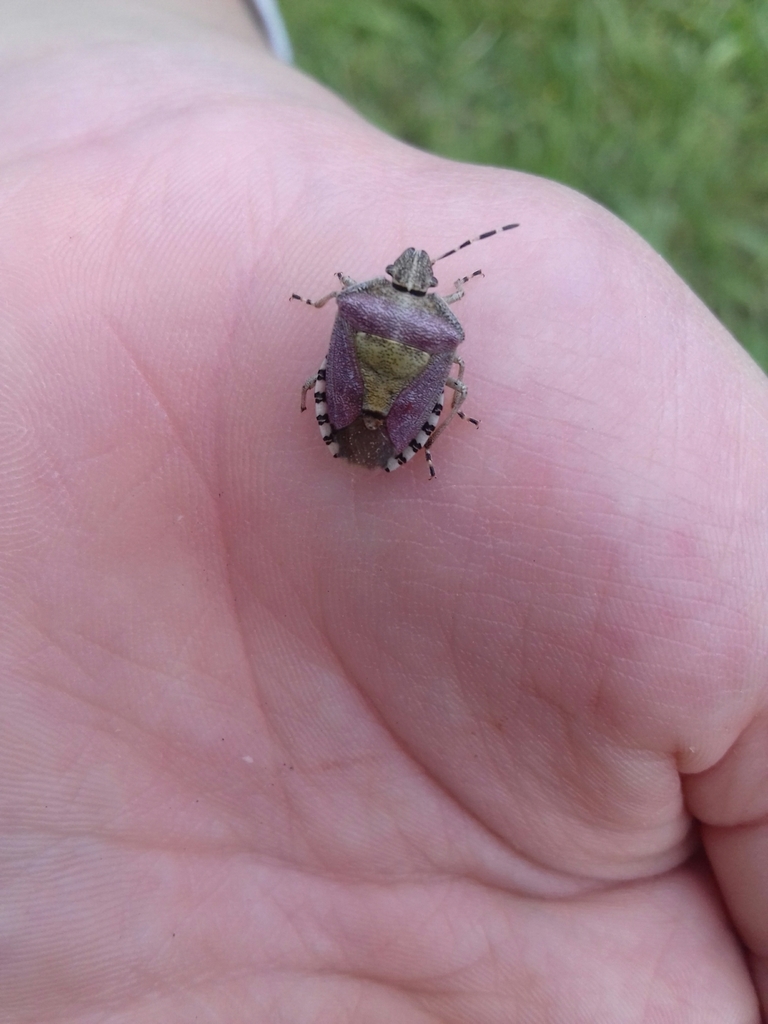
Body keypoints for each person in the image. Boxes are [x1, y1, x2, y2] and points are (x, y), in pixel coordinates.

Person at [1, 1, 766, 1020]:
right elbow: (443, 388)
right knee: (417, 418)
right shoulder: (442, 338)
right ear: (428, 292)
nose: (412, 284)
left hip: (335, 378)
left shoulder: (353, 306)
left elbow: (332, 348)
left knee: (330, 409)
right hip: (396, 416)